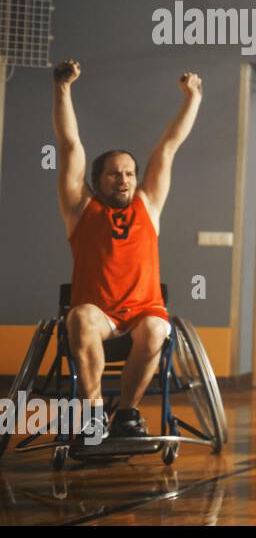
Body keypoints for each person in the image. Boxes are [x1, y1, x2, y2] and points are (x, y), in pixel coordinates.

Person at [52, 60, 202, 449]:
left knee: (157, 327)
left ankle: (127, 413)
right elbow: (70, 146)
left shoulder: (148, 205)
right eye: (115, 174)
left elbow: (168, 147)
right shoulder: (81, 209)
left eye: (130, 173)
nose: (124, 180)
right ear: (98, 181)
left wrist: (193, 99)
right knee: (80, 315)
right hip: (98, 314)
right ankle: (93, 414)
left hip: (142, 313)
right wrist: (63, 88)